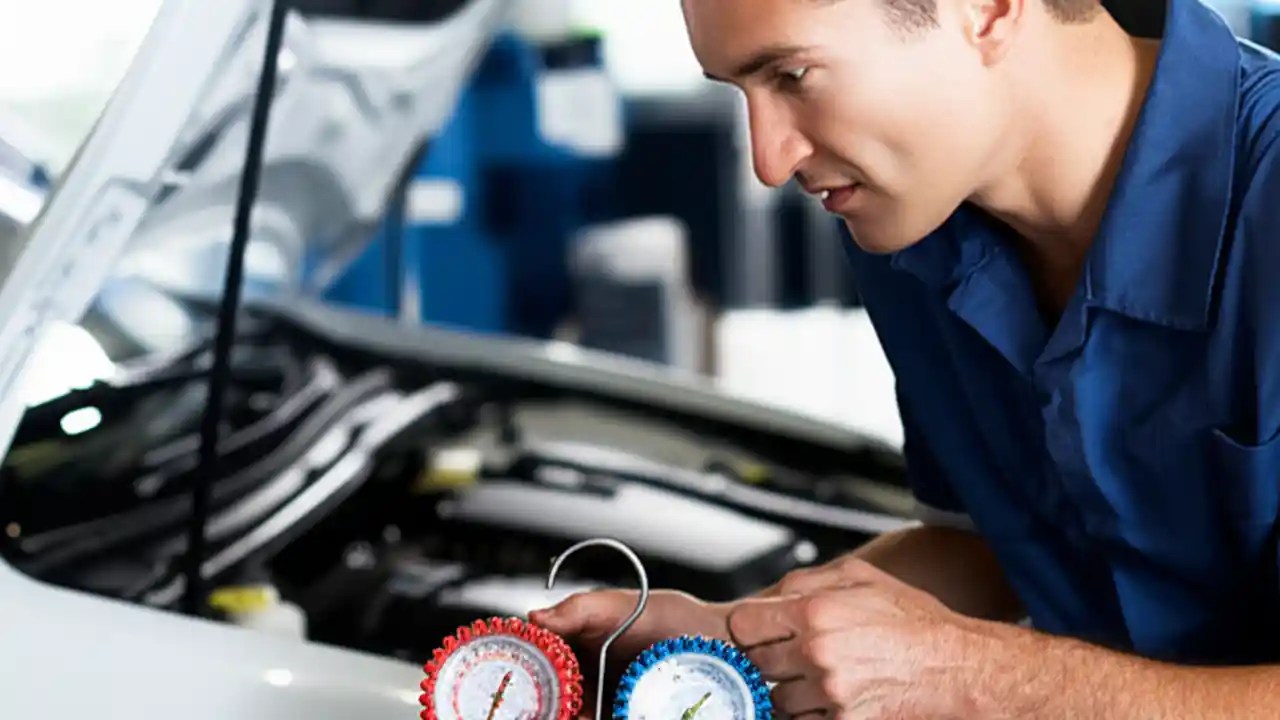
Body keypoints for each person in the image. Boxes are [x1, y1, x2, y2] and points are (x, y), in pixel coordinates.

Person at [532, 0, 1280, 715]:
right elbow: (996, 540)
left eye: (791, 77)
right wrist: (730, 639)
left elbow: (983, 671)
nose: (769, 158)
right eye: (742, 91)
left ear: (987, 9)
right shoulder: (913, 219)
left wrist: (982, 678)